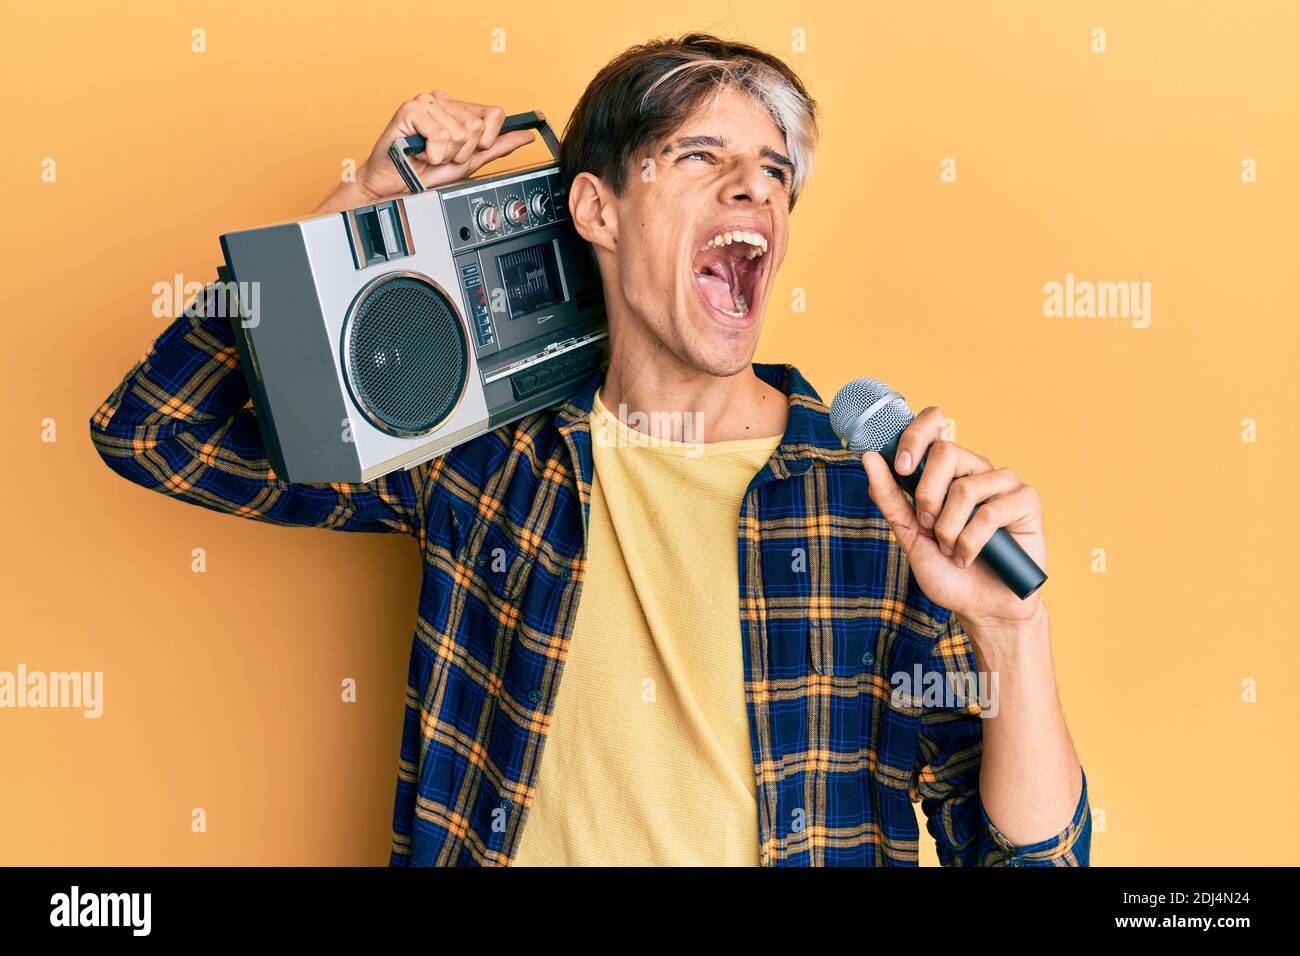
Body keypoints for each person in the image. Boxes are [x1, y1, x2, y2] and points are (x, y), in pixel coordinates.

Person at [90, 33, 1089, 866]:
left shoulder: (883, 503)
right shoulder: (480, 458)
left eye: (775, 172)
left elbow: (1026, 860)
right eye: (701, 158)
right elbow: (156, 430)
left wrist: (1015, 635)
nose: (755, 188)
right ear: (596, 209)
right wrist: (350, 216)